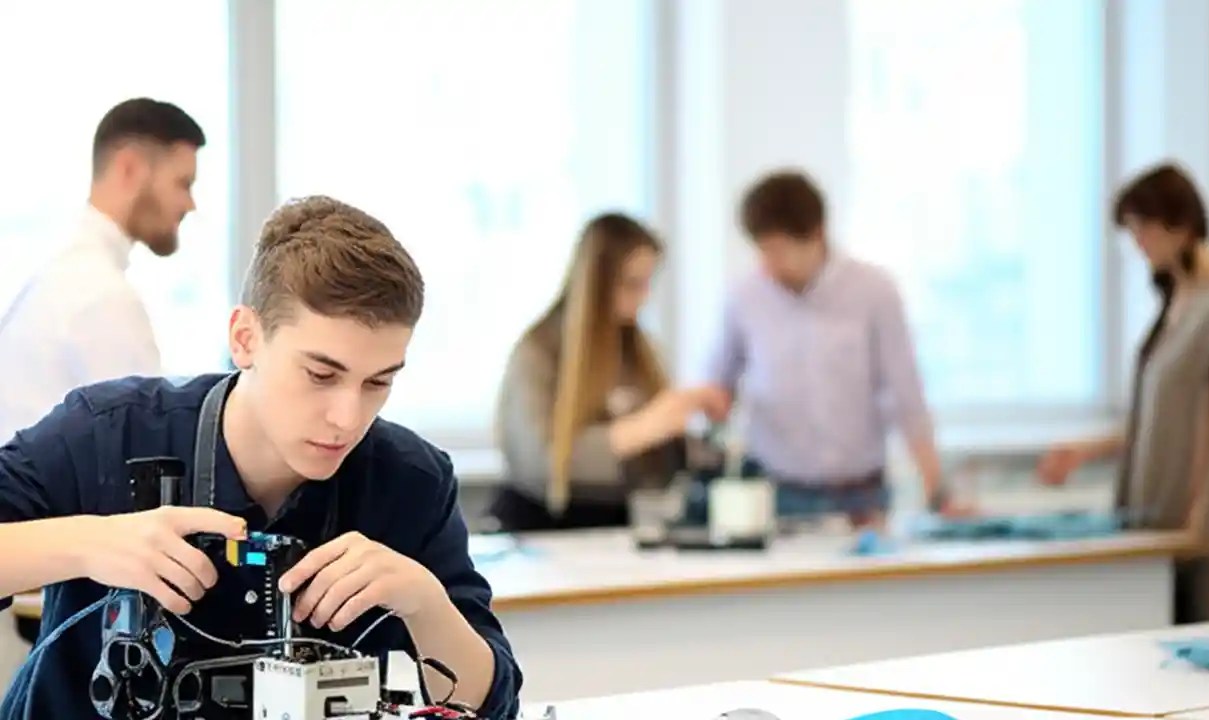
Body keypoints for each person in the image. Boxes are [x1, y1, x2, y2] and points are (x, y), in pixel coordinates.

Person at [0, 196, 521, 718]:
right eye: (321, 375)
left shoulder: (410, 481)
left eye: (378, 381)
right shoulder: (110, 432)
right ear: (245, 339)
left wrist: (424, 603)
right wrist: (90, 543)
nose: (347, 416)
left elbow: (491, 704)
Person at [1038, 162, 1209, 623]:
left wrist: (1200, 524)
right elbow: (1158, 419)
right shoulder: (1174, 305)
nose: (1139, 244)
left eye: (1144, 228)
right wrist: (1085, 450)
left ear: (1182, 224)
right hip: (1160, 530)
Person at [703, 169, 955, 528]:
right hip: (777, 490)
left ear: (817, 234)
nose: (768, 265)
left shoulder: (874, 290)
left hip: (862, 494)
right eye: (761, 250)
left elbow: (905, 391)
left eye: (779, 250)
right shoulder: (744, 296)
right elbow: (717, 384)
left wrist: (935, 486)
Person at [489, 213, 718, 532]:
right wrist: (643, 427)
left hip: (616, 528)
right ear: (598, 281)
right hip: (543, 527)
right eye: (632, 284)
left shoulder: (641, 352)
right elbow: (539, 462)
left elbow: (658, 467)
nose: (644, 297)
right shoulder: (537, 350)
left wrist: (692, 431)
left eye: (648, 282)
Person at [0, 97, 205, 443]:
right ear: (129, 169)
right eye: (182, 183)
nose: (190, 204)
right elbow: (148, 444)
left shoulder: (62, 275)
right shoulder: (100, 296)